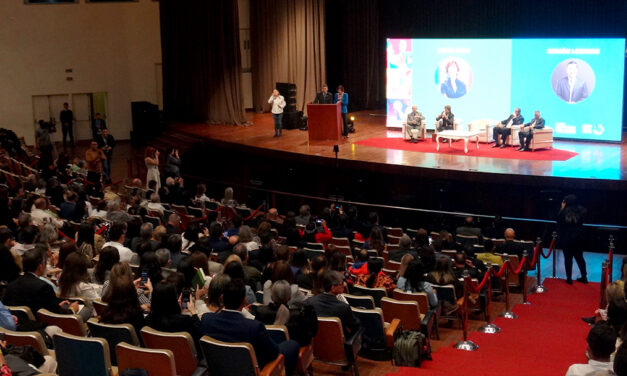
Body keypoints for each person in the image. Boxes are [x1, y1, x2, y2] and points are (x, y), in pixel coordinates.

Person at [199, 279, 300, 376]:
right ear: (244, 302)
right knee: (292, 344)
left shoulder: (206, 320)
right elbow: (273, 353)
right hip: (250, 370)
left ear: (221, 298)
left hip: (219, 371)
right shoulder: (254, 327)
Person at [3, 248, 79, 316]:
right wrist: (72, 310)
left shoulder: (11, 285)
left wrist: (55, 303)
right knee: (86, 310)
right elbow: (56, 314)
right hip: (38, 327)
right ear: (40, 267)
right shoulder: (44, 287)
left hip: (14, 327)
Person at [308, 270, 360, 336]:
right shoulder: (343, 308)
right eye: (341, 283)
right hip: (338, 343)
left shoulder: (310, 302)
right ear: (333, 287)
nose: (344, 284)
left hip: (317, 342)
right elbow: (355, 327)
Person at [557, 194, 587, 284]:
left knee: (568, 258)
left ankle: (569, 278)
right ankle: (584, 277)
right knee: (580, 258)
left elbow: (558, 221)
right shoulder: (581, 211)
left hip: (566, 239)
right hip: (578, 238)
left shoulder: (563, 212)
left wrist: (562, 208)